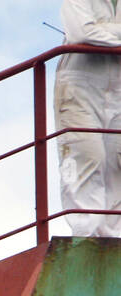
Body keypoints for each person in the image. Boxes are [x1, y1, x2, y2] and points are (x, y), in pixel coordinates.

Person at [57, 0, 121, 237]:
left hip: (118, 88)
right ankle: (85, 239)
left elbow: (91, 32)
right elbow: (81, 33)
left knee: (117, 164)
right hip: (80, 84)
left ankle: (114, 241)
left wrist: (103, 30)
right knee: (87, 155)